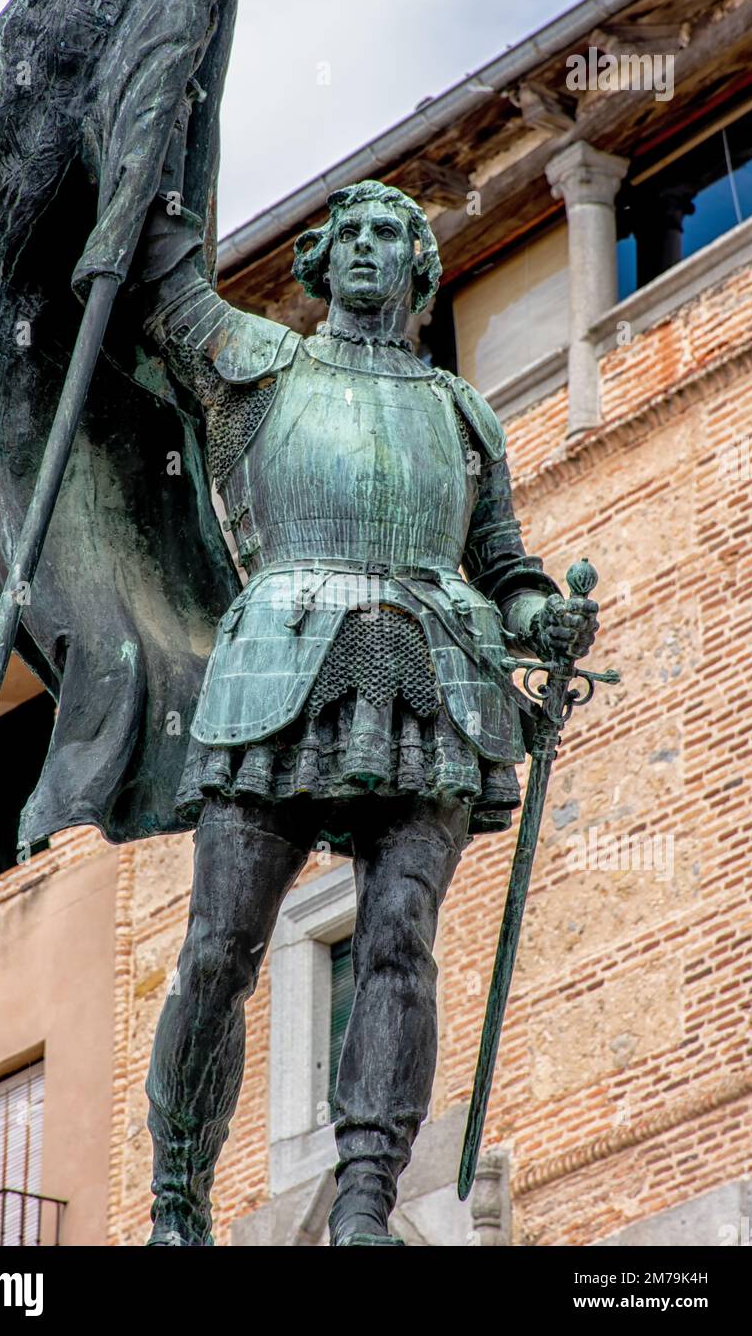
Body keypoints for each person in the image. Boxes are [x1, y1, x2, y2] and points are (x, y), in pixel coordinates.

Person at [138, 178, 598, 1246]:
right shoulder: (259, 367)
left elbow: (503, 567)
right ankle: (176, 1198)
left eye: (390, 234)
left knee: (398, 933)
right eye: (347, 232)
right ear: (319, 260)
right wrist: (157, 134)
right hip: (277, 668)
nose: (366, 247)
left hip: (433, 670)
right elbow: (162, 288)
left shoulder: (459, 411)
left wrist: (542, 619)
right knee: (218, 945)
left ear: (417, 272)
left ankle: (362, 1200)